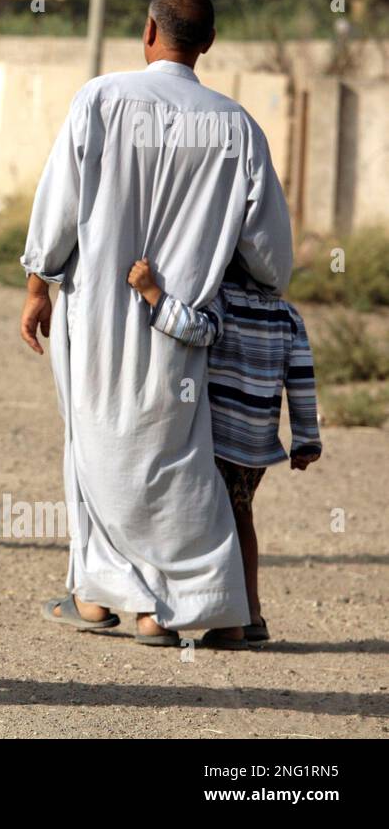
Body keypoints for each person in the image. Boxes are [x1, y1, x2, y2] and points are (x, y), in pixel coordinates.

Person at [20, 0, 293, 647]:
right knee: (172, 458)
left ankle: (110, 600)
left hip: (96, 319)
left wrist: (36, 286)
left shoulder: (102, 100)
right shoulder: (237, 126)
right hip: (183, 327)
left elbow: (59, 206)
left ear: (148, 31)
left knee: (93, 446)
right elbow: (270, 256)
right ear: (209, 44)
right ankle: (181, 601)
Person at [127, 255, 321, 647]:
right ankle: (247, 615)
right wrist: (305, 439)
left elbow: (196, 332)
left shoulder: (222, 300)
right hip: (256, 446)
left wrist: (153, 295)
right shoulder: (287, 314)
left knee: (192, 520)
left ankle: (167, 616)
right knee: (241, 519)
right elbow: (301, 377)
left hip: (215, 439)